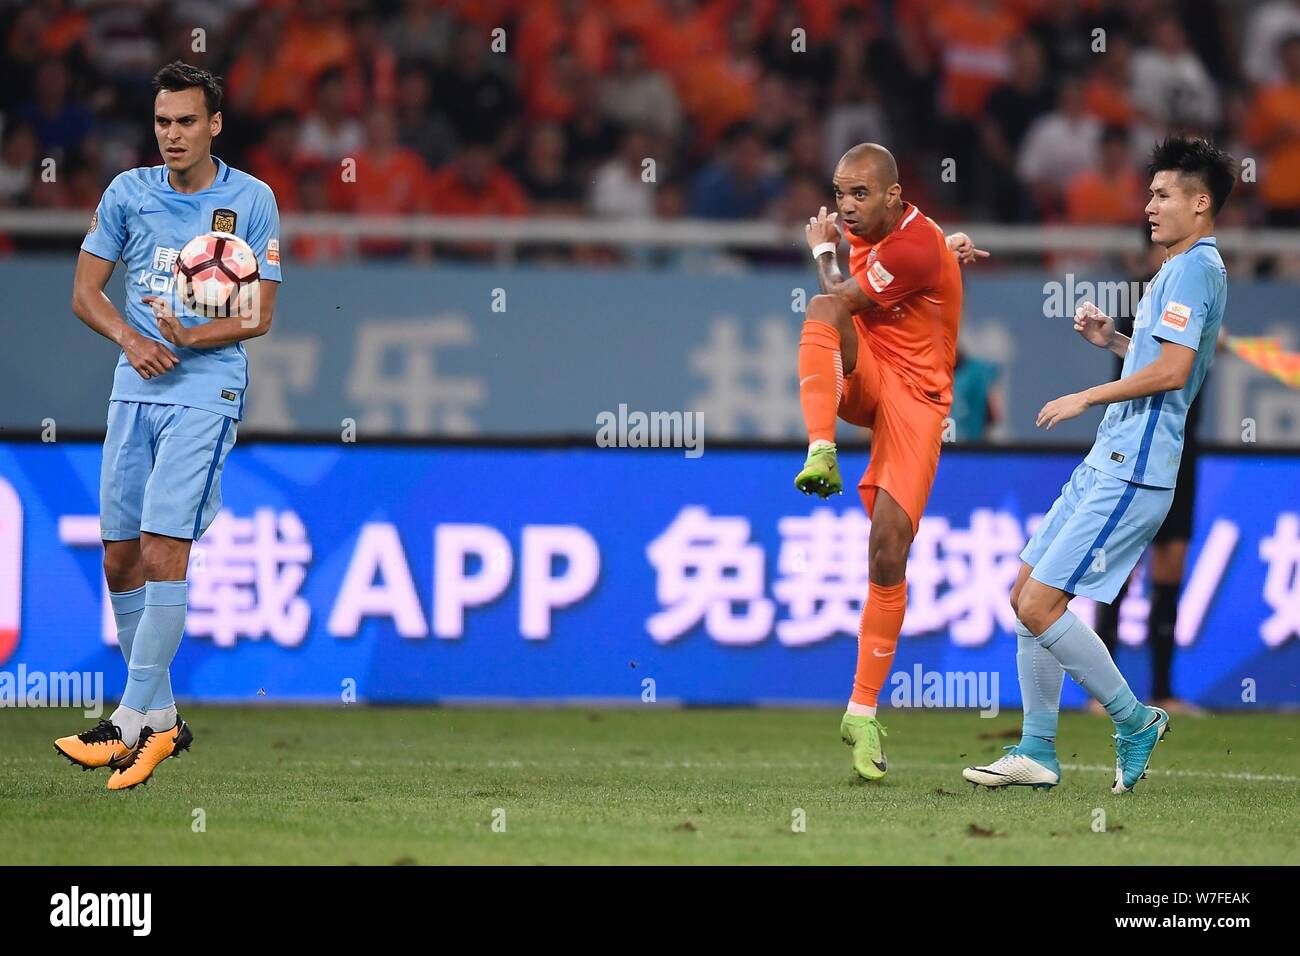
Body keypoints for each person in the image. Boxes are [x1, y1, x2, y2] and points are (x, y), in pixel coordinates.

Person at [963, 137, 1235, 793]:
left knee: (1039, 601)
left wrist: (1088, 392)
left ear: (1200, 204)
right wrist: (1111, 340)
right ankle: (1037, 750)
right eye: (1150, 193)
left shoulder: (1197, 268)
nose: (1149, 205)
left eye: (1163, 194)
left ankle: (1134, 719)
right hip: (1110, 455)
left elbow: (1172, 372)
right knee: (1025, 593)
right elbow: (1169, 359)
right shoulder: (1177, 270)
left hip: (1134, 464)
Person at [57, 62, 282, 791]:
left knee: (162, 546)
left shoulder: (251, 199)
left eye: (187, 121)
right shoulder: (129, 193)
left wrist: (191, 336)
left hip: (205, 391)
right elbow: (85, 294)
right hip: (135, 385)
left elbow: (260, 314)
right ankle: (163, 721)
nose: (172, 135)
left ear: (214, 124)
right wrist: (133, 340)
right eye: (162, 122)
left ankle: (124, 722)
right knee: (120, 558)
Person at [795, 142, 985, 781]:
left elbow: (868, 277)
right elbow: (850, 297)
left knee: (888, 551)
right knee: (822, 311)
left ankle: (861, 710)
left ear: (894, 196)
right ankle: (821, 446)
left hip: (920, 401)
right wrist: (945, 251)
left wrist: (822, 252)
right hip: (871, 376)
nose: (846, 208)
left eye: (860, 194)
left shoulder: (909, 245)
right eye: (840, 193)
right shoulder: (898, 236)